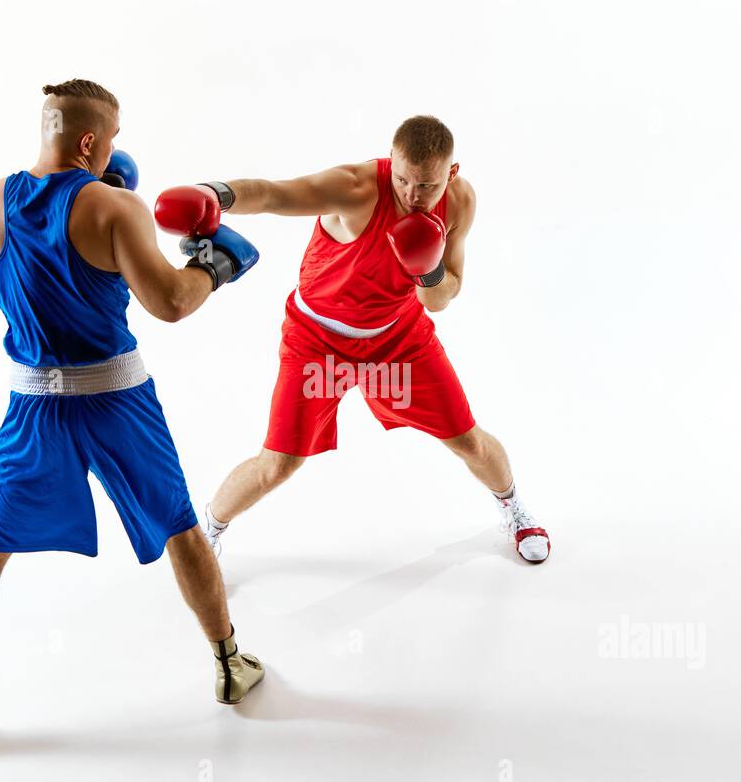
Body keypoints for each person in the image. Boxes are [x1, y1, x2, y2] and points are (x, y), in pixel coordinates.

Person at [0, 79, 264, 742]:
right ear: (89, 141)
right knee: (181, 528)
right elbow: (169, 303)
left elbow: (42, 262)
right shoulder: (116, 208)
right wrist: (215, 267)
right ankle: (228, 663)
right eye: (110, 138)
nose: (116, 150)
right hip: (117, 400)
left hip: (32, 409)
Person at [154, 116, 550, 565]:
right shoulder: (356, 187)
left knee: (467, 440)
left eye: (427, 185)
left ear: (451, 174)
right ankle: (207, 533)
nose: (412, 196)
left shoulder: (459, 201)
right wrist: (216, 194)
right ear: (391, 162)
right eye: (402, 180)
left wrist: (428, 268)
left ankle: (515, 509)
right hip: (318, 343)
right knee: (277, 463)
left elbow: (441, 299)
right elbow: (274, 193)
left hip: (398, 340)